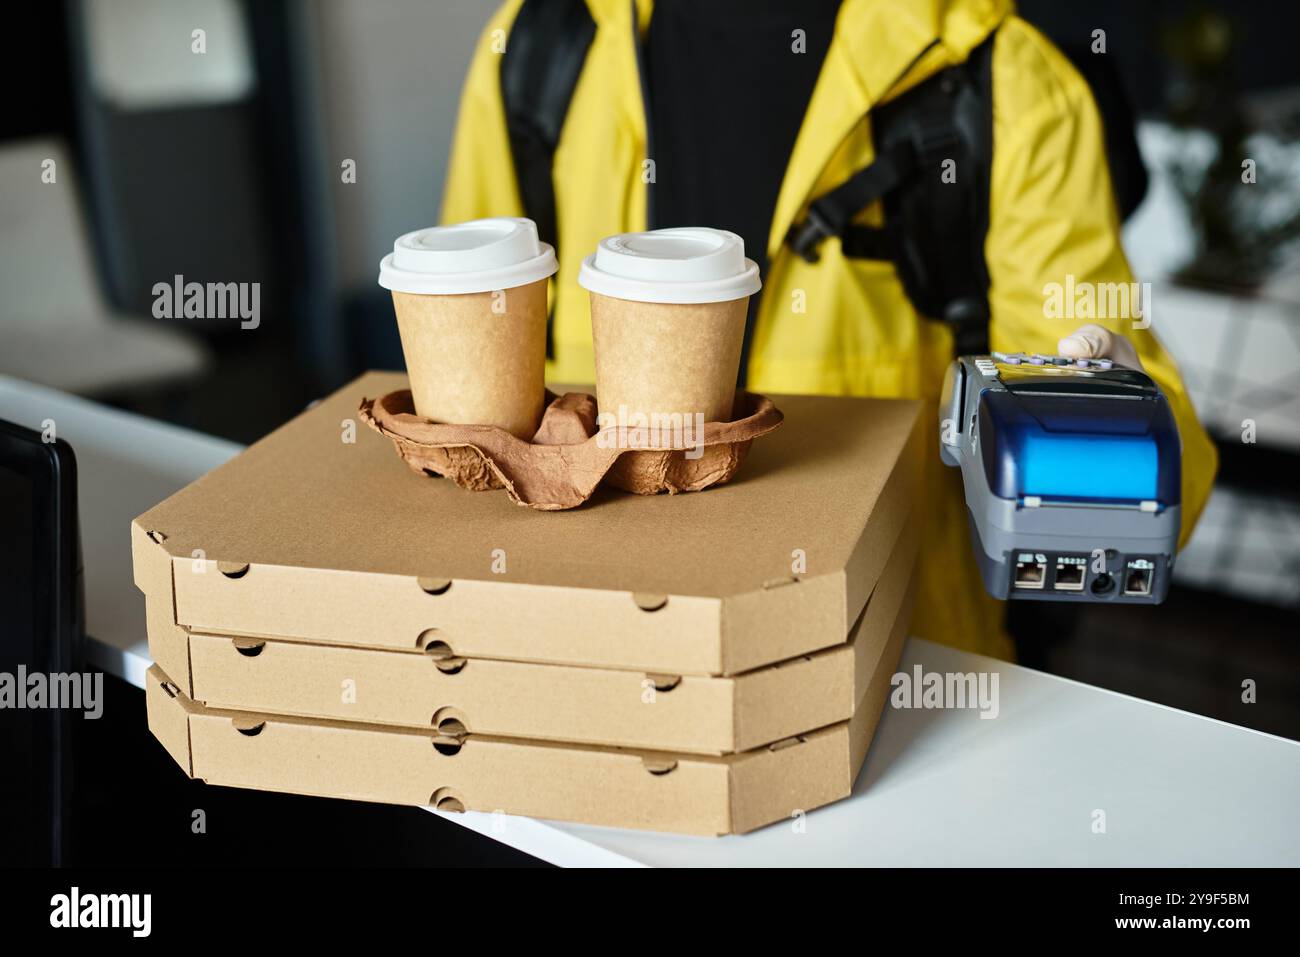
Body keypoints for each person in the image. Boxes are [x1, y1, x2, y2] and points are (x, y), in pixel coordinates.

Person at [441, 0, 1218, 659]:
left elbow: (1145, 456)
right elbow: (468, 390)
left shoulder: (998, 74)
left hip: (903, 678)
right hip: (596, 653)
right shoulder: (542, 45)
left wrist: (1115, 426)